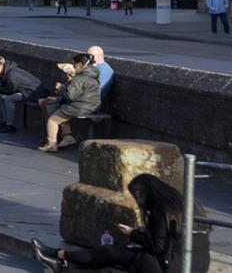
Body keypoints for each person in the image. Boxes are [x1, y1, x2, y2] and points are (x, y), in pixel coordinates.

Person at [34, 173, 191, 273]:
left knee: (109, 252)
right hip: (170, 261)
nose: (138, 202)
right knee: (110, 258)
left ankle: (58, 254)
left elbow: (158, 247)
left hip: (161, 265)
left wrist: (132, 234)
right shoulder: (173, 203)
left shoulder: (159, 210)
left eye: (137, 198)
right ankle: (61, 265)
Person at [40, 53, 100, 152]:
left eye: (74, 64)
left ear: (79, 64)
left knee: (53, 120)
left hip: (80, 107)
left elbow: (70, 96)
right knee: (62, 112)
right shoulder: (93, 76)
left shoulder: (79, 78)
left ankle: (52, 144)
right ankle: (67, 137)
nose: (73, 66)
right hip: (93, 106)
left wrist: (61, 89)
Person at [0, 56, 46, 134]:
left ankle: (10, 126)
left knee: (8, 99)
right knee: (3, 97)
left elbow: (9, 91)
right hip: (25, 92)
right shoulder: (7, 72)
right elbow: (7, 88)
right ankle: (5, 122)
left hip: (34, 94)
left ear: (0, 66)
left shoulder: (12, 73)